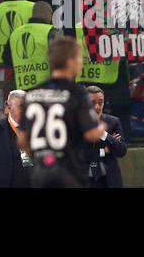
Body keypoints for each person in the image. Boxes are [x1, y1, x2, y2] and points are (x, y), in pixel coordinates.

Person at [10, 35, 105, 187]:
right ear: (70, 62)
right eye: (80, 58)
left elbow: (21, 140)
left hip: (40, 173)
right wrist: (102, 127)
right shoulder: (76, 93)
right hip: (69, 172)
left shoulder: (32, 94)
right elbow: (91, 134)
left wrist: (35, 157)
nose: (81, 63)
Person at [80, 85, 127, 187]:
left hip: (108, 179)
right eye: (92, 103)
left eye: (100, 102)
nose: (97, 107)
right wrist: (104, 151)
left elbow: (122, 151)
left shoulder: (113, 122)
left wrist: (104, 134)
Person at [3, 1, 54, 91]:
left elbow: (6, 58)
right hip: (46, 90)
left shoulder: (15, 33)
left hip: (21, 90)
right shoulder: (52, 31)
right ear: (48, 15)